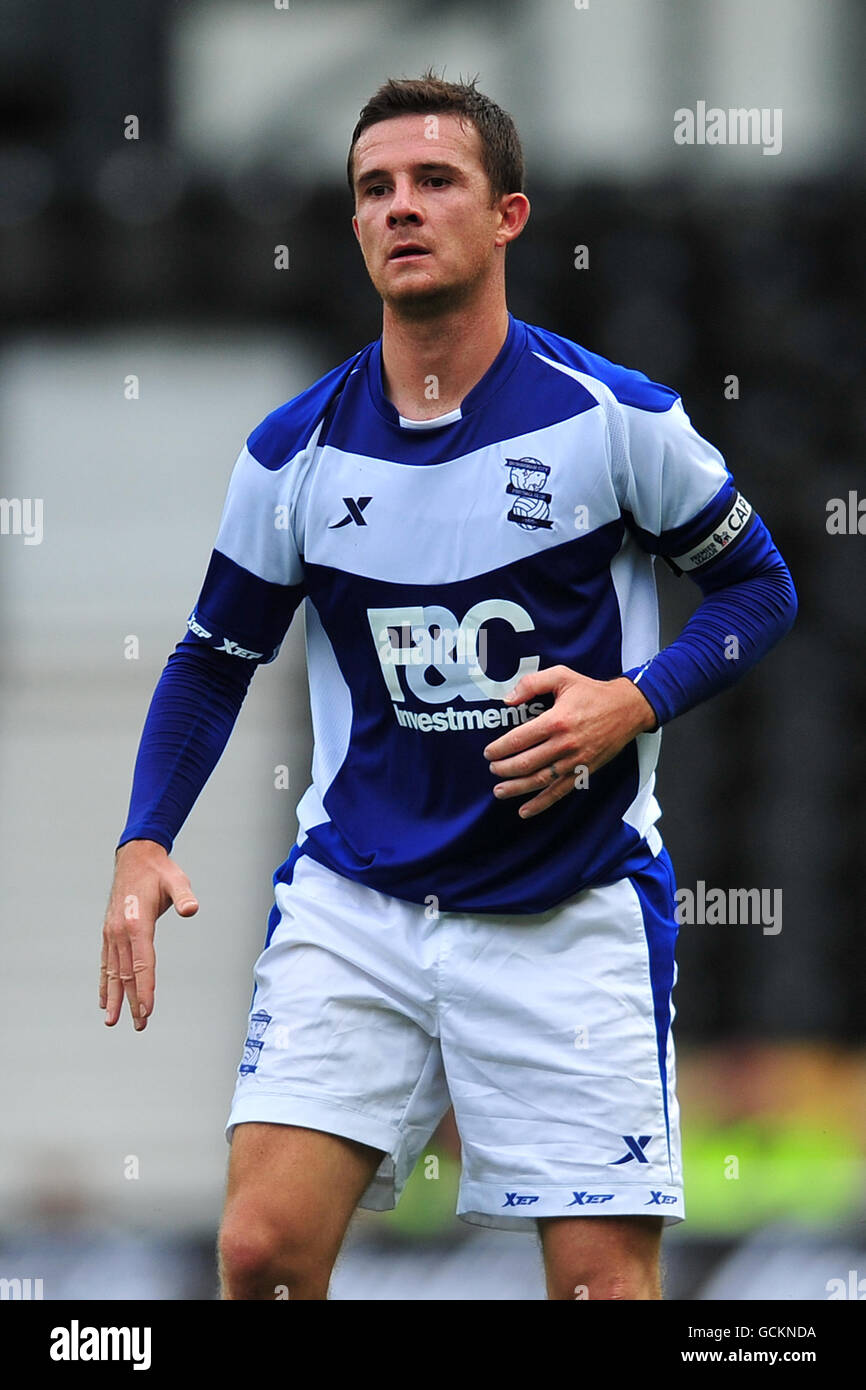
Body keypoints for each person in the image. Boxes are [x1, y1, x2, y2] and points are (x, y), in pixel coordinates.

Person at [100, 70, 797, 1301]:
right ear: (353, 224)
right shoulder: (291, 455)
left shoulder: (613, 420)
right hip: (358, 904)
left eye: (435, 181)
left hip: (565, 913)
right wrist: (144, 836)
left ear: (507, 217)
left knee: (600, 1293)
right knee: (258, 1257)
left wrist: (635, 699)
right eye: (374, 189)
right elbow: (214, 658)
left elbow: (761, 590)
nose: (400, 208)